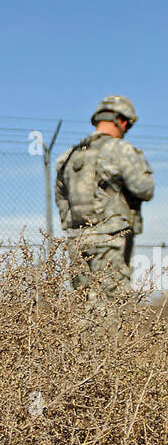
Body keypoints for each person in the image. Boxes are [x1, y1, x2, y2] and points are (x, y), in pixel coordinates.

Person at [54, 96, 153, 301]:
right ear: (123, 121)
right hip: (111, 240)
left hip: (77, 240)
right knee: (111, 304)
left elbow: (61, 198)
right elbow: (144, 189)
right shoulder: (121, 150)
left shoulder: (69, 156)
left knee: (83, 305)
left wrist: (78, 227)